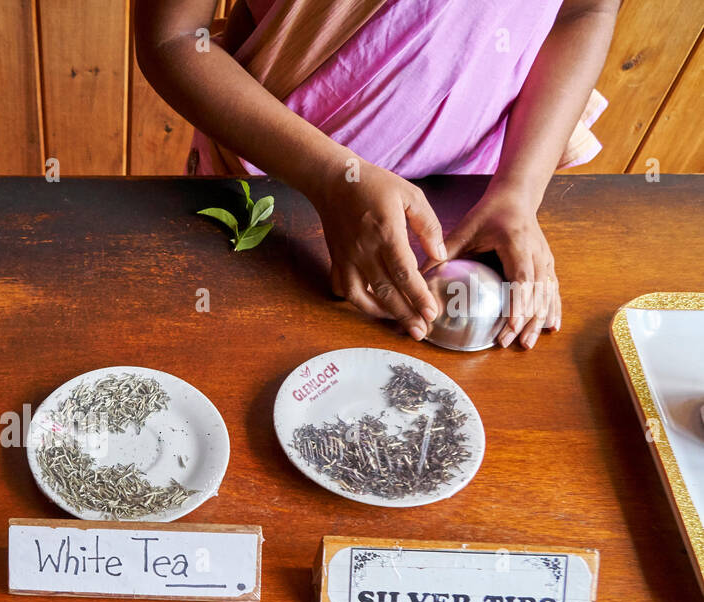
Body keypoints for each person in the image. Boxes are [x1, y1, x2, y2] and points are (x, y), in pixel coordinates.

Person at [135, 0, 619, 348]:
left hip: (472, 205)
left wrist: (519, 191)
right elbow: (174, 36)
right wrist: (330, 176)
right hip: (272, 187)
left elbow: (585, 11)